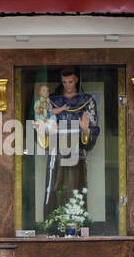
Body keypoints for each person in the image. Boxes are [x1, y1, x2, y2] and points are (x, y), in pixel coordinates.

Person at [39, 67, 100, 221]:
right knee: (54, 187)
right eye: (64, 82)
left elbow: (93, 129)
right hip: (56, 150)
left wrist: (85, 130)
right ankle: (53, 223)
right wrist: (47, 129)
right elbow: (43, 126)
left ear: (77, 80)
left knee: (76, 187)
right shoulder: (52, 102)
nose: (68, 85)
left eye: (71, 82)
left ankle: (76, 222)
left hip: (76, 151)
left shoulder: (87, 101)